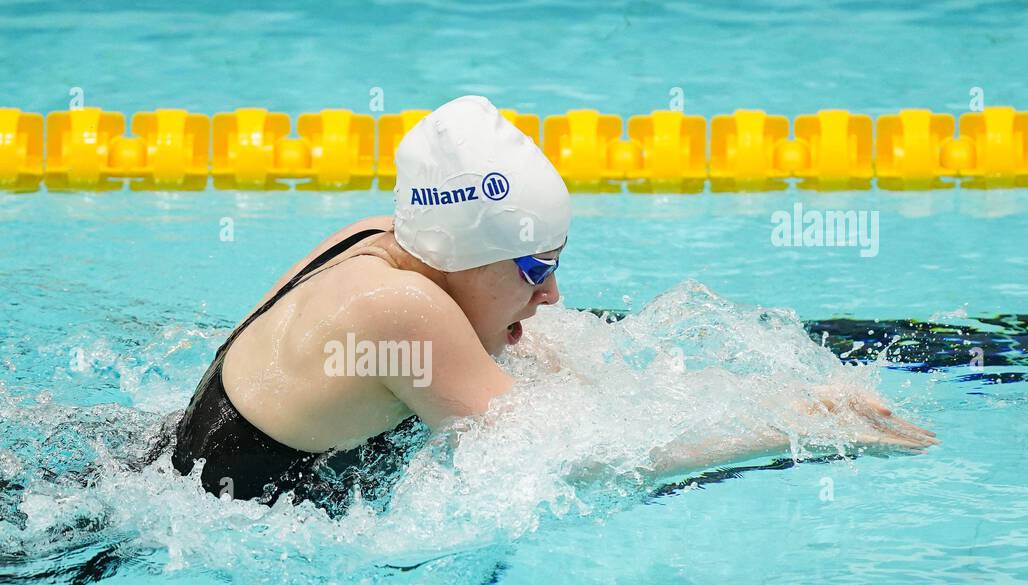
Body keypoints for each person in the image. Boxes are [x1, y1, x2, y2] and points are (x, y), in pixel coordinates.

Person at [151, 95, 933, 509]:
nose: (552, 293)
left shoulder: (374, 239)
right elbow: (569, 460)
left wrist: (766, 387)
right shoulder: (404, 315)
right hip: (161, 530)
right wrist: (793, 428)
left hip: (152, 467)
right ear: (464, 253)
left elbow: (570, 382)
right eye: (534, 267)